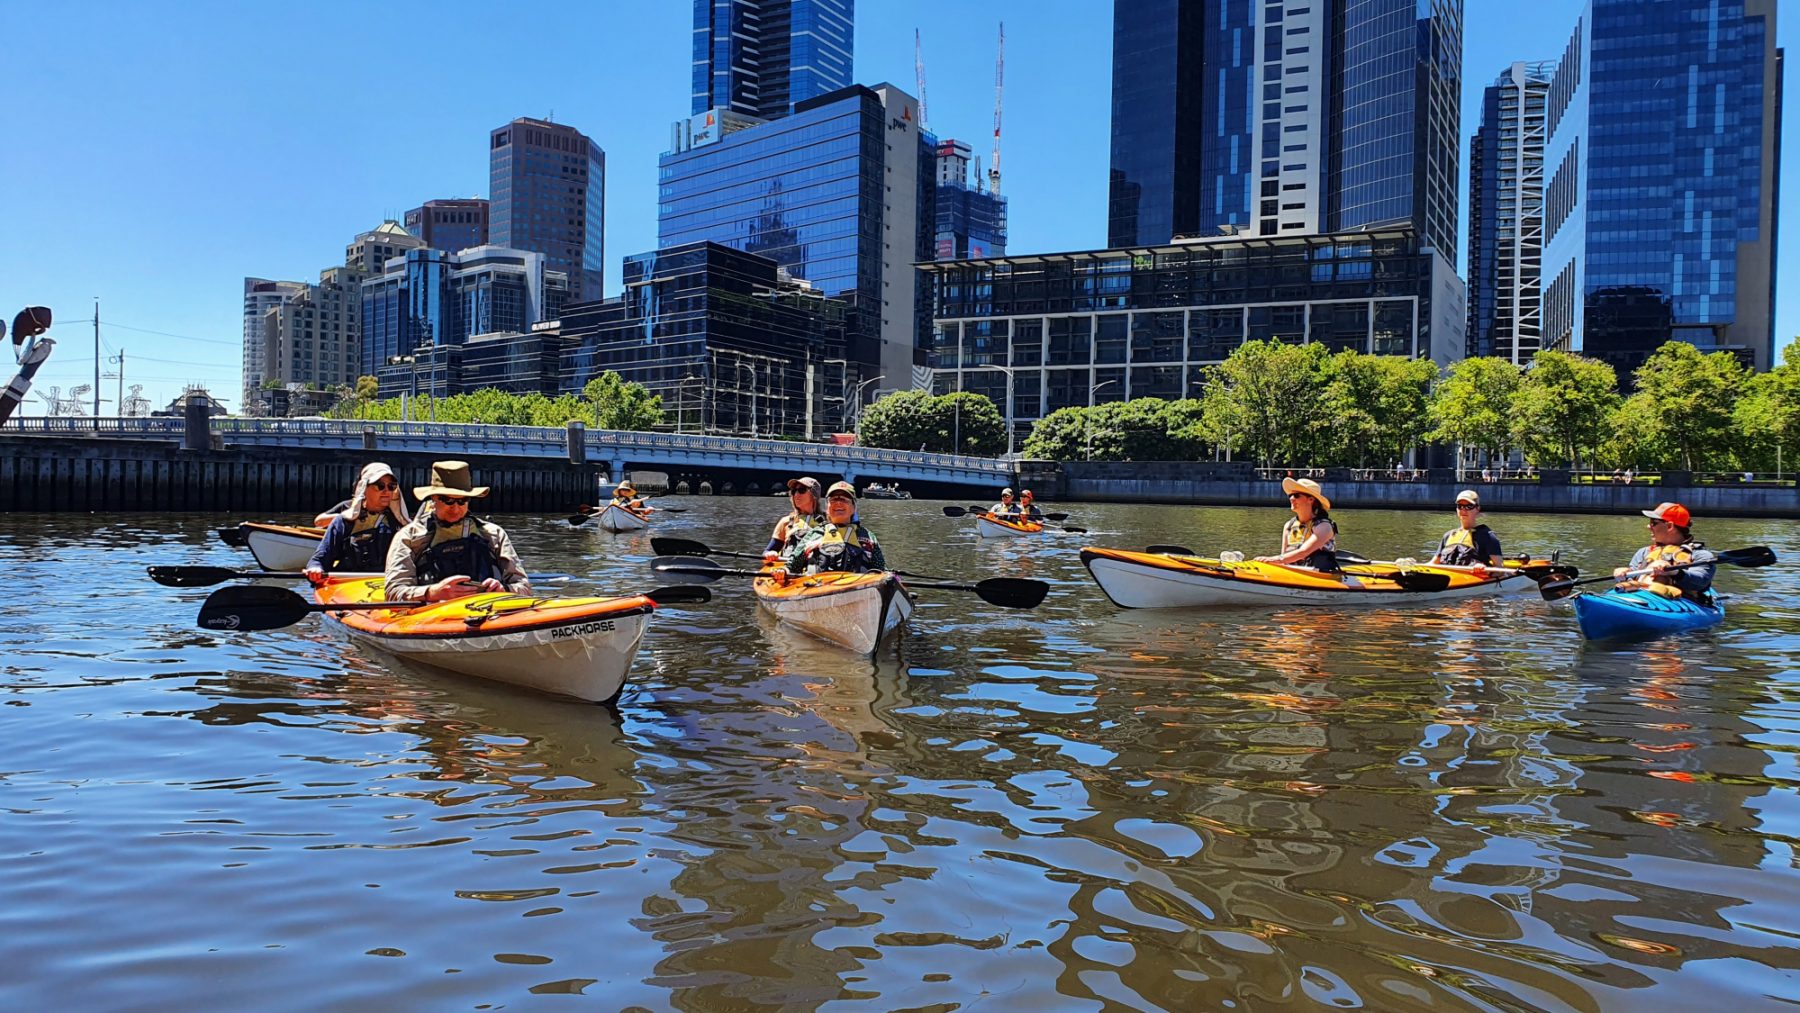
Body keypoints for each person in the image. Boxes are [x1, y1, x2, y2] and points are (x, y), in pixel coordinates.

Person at [385, 460, 532, 603]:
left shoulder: (494, 535)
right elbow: (393, 592)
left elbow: (524, 587)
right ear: (433, 498)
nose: (455, 508)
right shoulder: (408, 538)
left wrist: (504, 590)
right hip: (432, 617)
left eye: (462, 501)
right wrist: (432, 592)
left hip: (488, 615)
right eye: (448, 501)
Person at [305, 462, 411, 578]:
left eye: (391, 486)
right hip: (348, 584)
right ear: (364, 488)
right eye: (380, 486)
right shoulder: (343, 522)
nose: (386, 491)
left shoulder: (402, 525)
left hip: (389, 585)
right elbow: (320, 558)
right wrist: (315, 568)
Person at [1612, 502, 1716, 604]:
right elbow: (1633, 575)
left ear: (1670, 526)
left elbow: (1700, 581)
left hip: (1677, 600)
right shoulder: (1644, 552)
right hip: (1640, 594)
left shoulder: (1700, 555)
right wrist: (1624, 573)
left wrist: (1674, 572)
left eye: (1654, 523)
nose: (1648, 526)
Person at [785, 481, 887, 576]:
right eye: (833, 499)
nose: (838, 503)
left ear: (853, 507)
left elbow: (881, 570)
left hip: (859, 588)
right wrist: (783, 572)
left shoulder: (868, 537)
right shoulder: (815, 534)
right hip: (818, 588)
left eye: (844, 499)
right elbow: (791, 566)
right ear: (827, 507)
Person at [1256, 477, 1340, 571]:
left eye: (1296, 495)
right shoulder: (1289, 525)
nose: (1291, 498)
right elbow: (1284, 557)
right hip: (1293, 574)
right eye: (1290, 495)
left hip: (1321, 577)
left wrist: (1273, 559)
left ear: (1311, 499)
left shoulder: (1324, 526)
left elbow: (1303, 552)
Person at [1428, 490, 1502, 571]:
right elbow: (1432, 564)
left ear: (1477, 509)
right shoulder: (1448, 536)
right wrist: (1413, 566)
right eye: (1460, 506)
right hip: (1449, 578)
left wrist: (1485, 570)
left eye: (1469, 506)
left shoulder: (1487, 536)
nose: (1463, 510)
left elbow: (1499, 569)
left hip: (1474, 578)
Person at [763, 476, 825, 563]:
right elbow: (767, 551)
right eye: (793, 491)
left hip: (816, 568)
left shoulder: (828, 521)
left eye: (801, 490)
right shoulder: (786, 522)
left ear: (814, 494)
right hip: (788, 567)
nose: (796, 494)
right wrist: (770, 554)